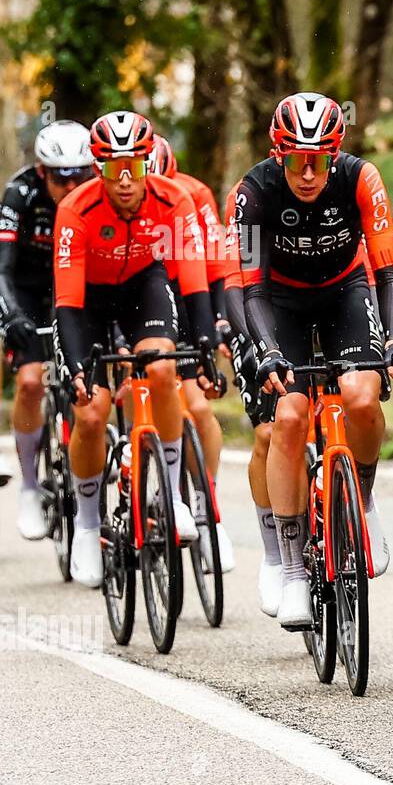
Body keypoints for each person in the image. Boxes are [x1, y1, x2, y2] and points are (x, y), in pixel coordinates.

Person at [235, 92, 393, 628]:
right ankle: (291, 567)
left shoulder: (361, 179)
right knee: (289, 417)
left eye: (319, 159)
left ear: (335, 156)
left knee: (361, 394)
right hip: (276, 301)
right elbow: (248, 287)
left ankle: (361, 500)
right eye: (295, 160)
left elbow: (387, 270)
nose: (308, 172)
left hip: (345, 288)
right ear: (277, 155)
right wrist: (265, 350)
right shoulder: (253, 192)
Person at [54, 111, 217, 586]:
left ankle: (171, 493)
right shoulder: (76, 210)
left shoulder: (175, 199)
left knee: (163, 368)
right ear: (97, 169)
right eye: (112, 169)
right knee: (90, 411)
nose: (124, 181)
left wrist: (205, 345)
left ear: (149, 163)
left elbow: (192, 282)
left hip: (143, 286)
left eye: (135, 167)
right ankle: (87, 523)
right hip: (87, 300)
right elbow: (66, 298)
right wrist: (79, 365)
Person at [0, 120, 95, 540]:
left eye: (82, 175)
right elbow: (1, 269)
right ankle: (27, 485)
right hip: (27, 287)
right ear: (42, 172)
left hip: (73, 287)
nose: (72, 186)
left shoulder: (96, 196)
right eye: (61, 177)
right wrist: (12, 316)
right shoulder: (19, 195)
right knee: (30, 383)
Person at [149, 134, 235, 571]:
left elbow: (216, 265)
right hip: (137, 300)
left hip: (187, 296)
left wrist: (218, 322)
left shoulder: (193, 194)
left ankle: (207, 503)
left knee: (199, 407)